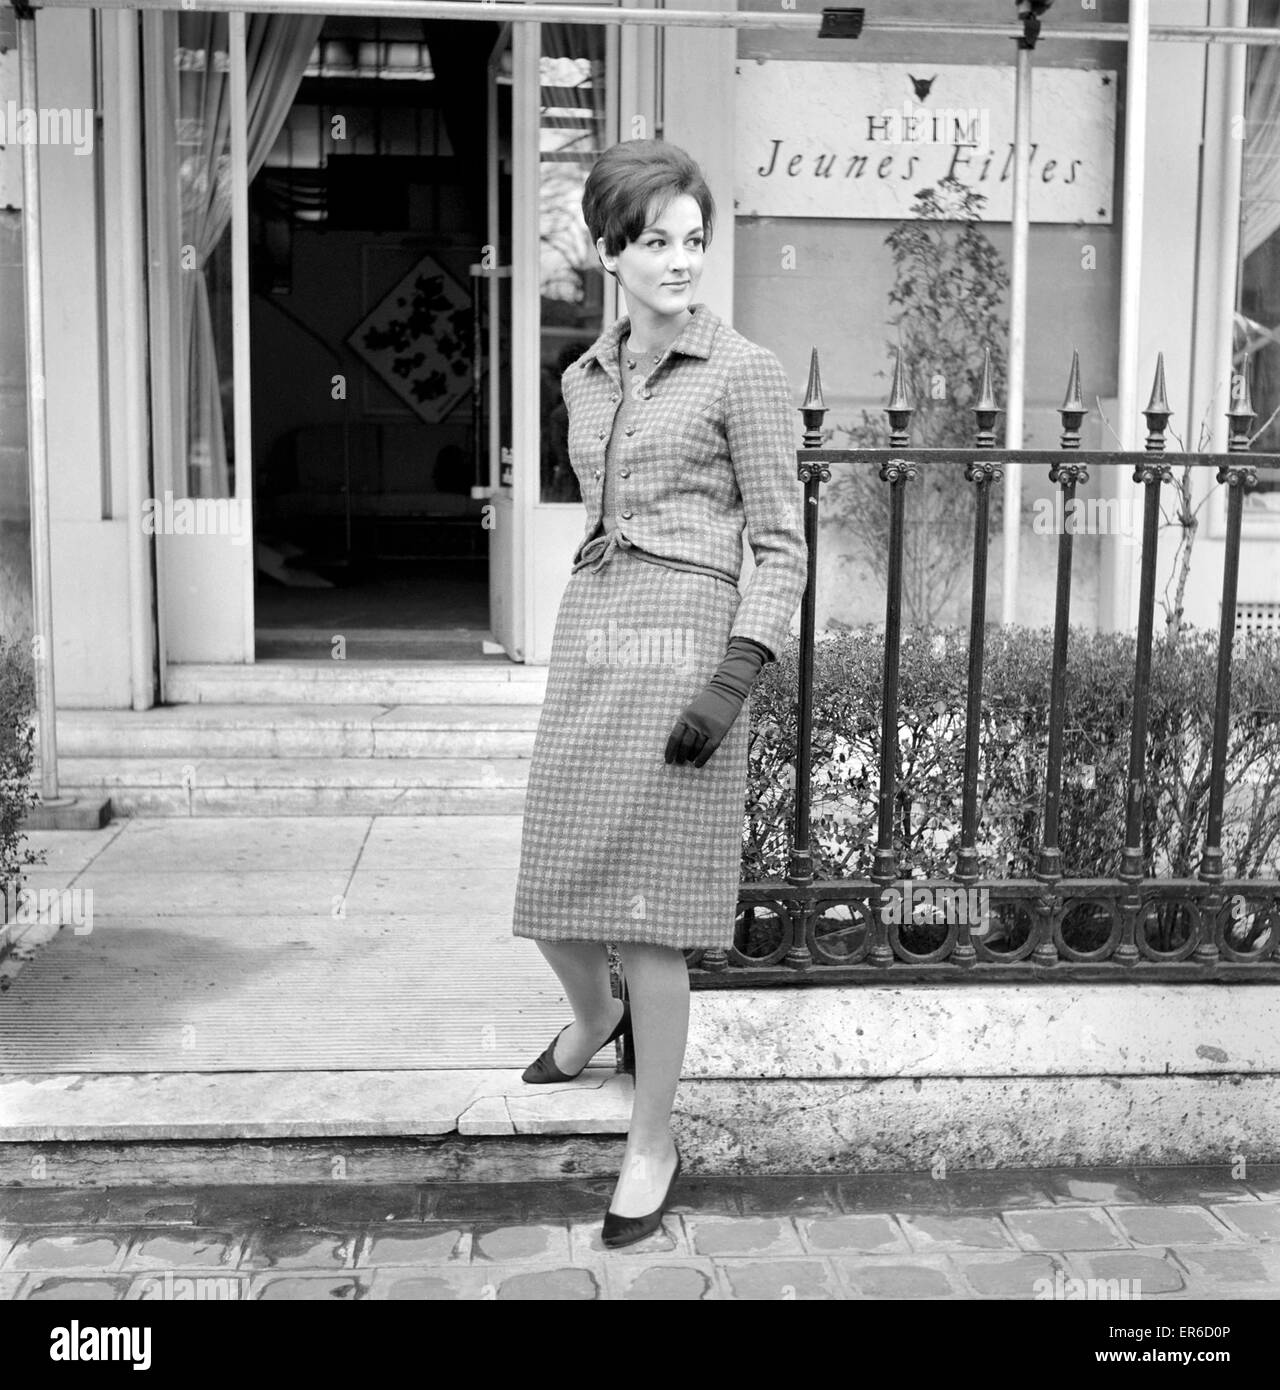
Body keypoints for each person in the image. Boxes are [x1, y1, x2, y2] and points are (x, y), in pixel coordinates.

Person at [511, 138, 808, 1248]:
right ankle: (592, 1018)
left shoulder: (745, 373)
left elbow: (779, 543)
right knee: (548, 877)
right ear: (608, 251)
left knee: (650, 921)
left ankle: (651, 1139)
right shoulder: (580, 380)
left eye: (693, 240)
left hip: (691, 648)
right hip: (596, 633)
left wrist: (735, 673)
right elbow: (599, 518)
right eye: (655, 242)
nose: (679, 260)